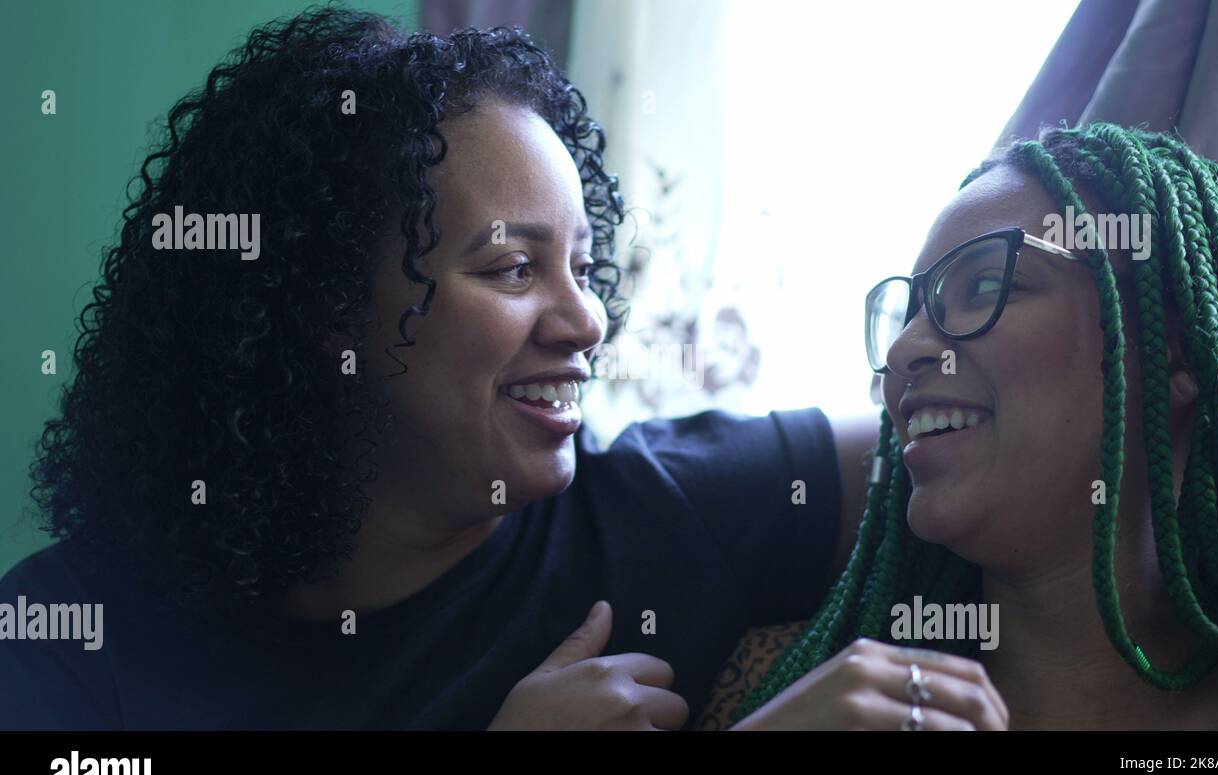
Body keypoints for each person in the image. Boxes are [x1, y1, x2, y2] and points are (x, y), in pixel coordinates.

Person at [0, 8, 874, 730]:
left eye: (582, 262)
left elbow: (956, 443)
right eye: (512, 268)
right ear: (320, 305)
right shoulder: (69, 639)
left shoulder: (662, 511)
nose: (587, 318)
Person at [702, 122, 1218, 731]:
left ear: (1177, 351)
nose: (906, 348)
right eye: (908, 311)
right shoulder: (791, 705)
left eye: (987, 284)